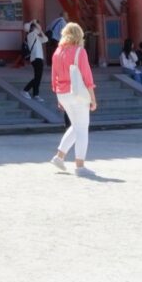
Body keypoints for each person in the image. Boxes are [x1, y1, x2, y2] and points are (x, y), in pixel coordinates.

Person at [48, 22, 99, 174]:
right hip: (77, 93)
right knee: (82, 129)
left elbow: (54, 76)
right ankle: (80, 166)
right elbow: (87, 77)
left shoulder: (57, 52)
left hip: (62, 93)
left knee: (76, 126)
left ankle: (59, 157)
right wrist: (93, 98)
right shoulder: (80, 51)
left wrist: (58, 97)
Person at [21, 20, 46, 96]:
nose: (38, 27)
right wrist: (33, 22)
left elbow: (45, 39)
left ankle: (36, 94)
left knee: (38, 77)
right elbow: (29, 28)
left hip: (38, 58)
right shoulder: (31, 35)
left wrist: (40, 31)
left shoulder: (36, 36)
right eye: (36, 27)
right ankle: (25, 90)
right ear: (32, 28)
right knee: (38, 77)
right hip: (36, 58)